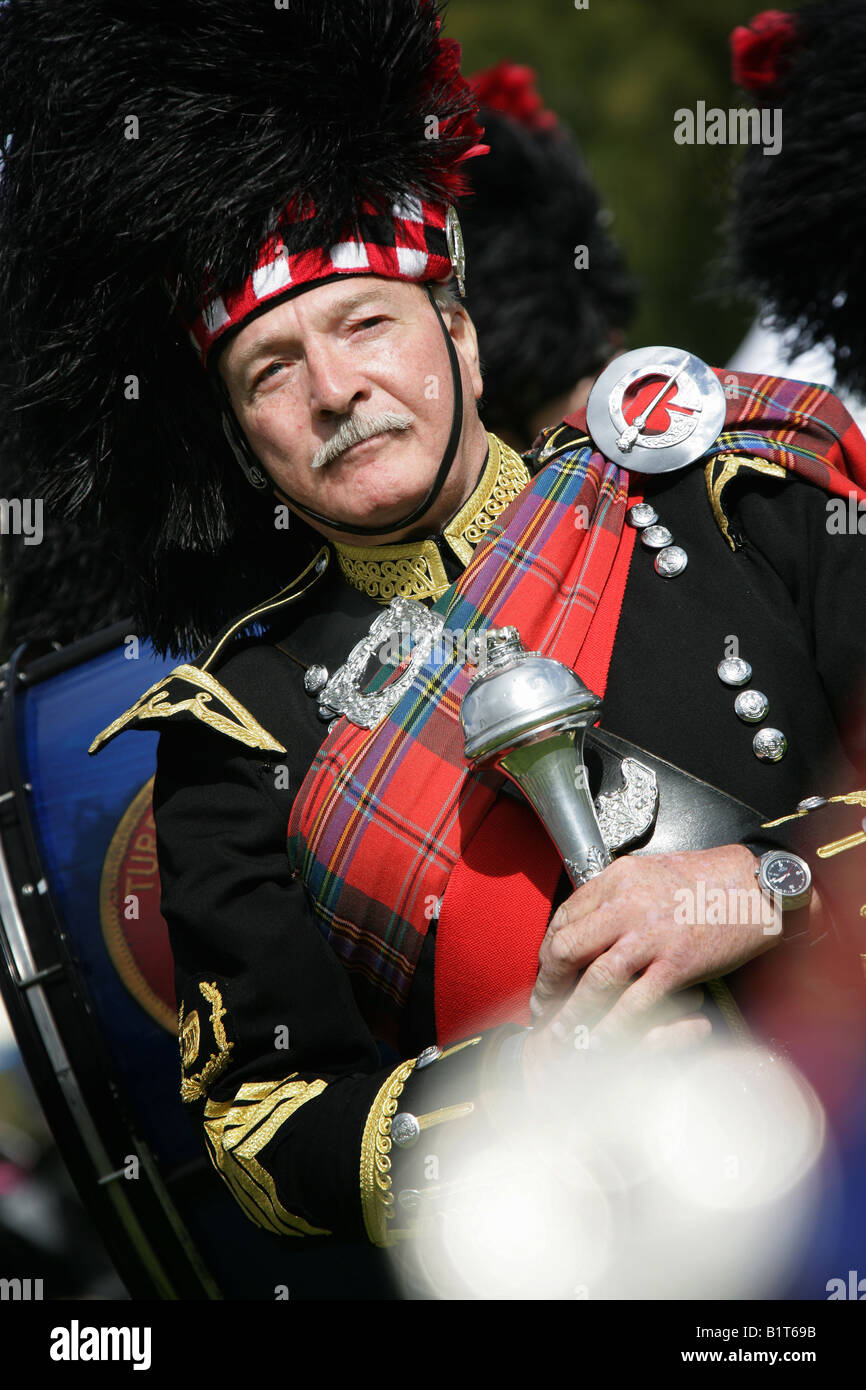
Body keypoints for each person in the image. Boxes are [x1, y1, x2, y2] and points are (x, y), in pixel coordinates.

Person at [3, 0, 865, 1276]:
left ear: (453, 328)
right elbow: (260, 1128)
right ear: (246, 439)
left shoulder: (734, 490)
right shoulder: (234, 727)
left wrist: (764, 885)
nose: (335, 388)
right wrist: (527, 1088)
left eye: (365, 325)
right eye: (270, 371)